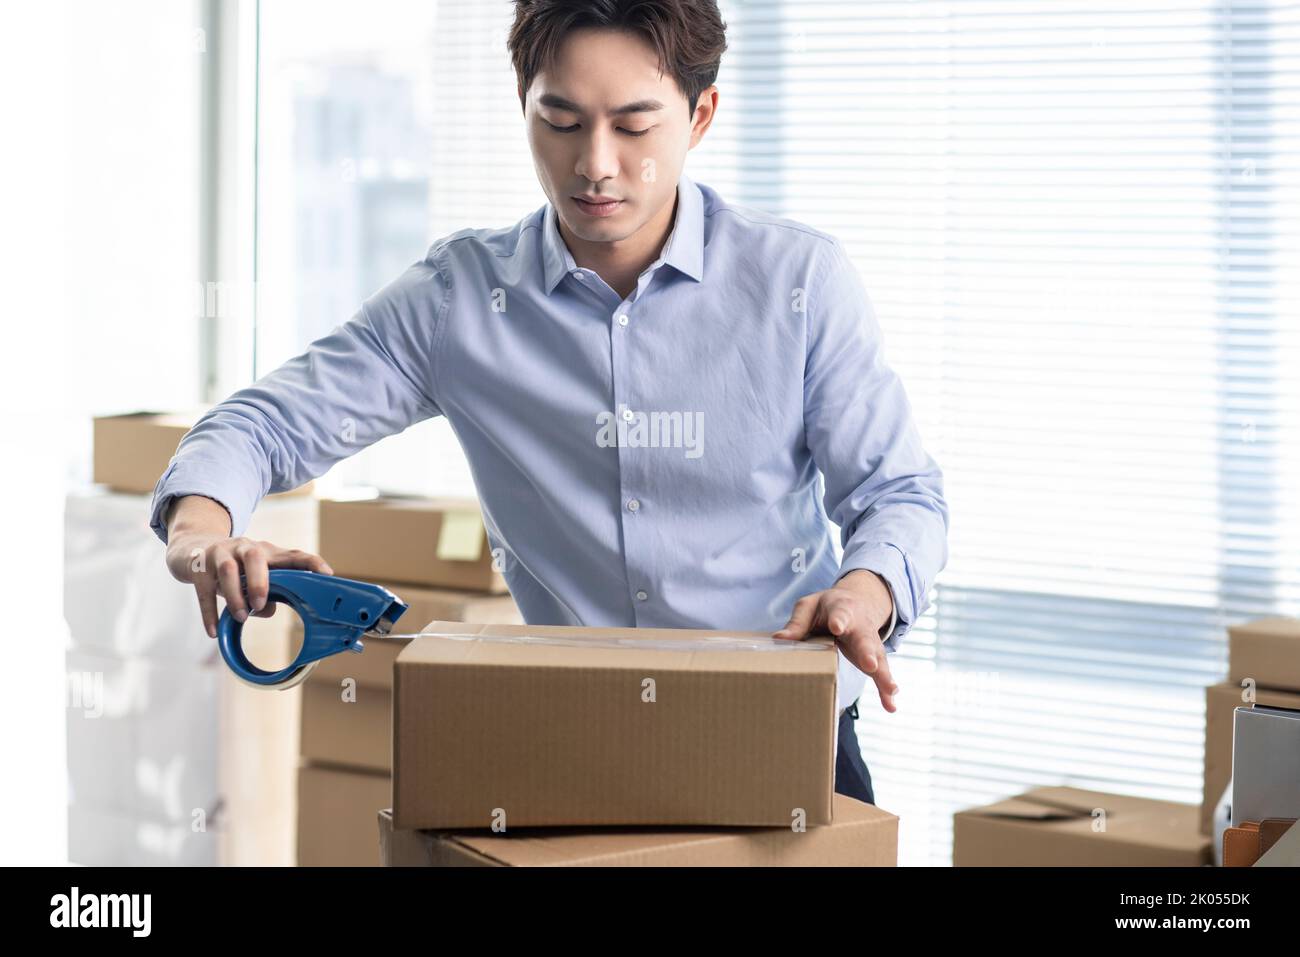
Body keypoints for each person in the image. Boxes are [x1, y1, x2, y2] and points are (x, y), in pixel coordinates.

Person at [152, 0, 949, 806]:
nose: (593, 164)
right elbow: (259, 427)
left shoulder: (798, 284)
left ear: (701, 115)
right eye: (560, 121)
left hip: (788, 733)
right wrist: (200, 536)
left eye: (634, 127)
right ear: (525, 108)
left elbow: (900, 496)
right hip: (572, 741)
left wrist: (865, 592)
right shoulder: (457, 300)